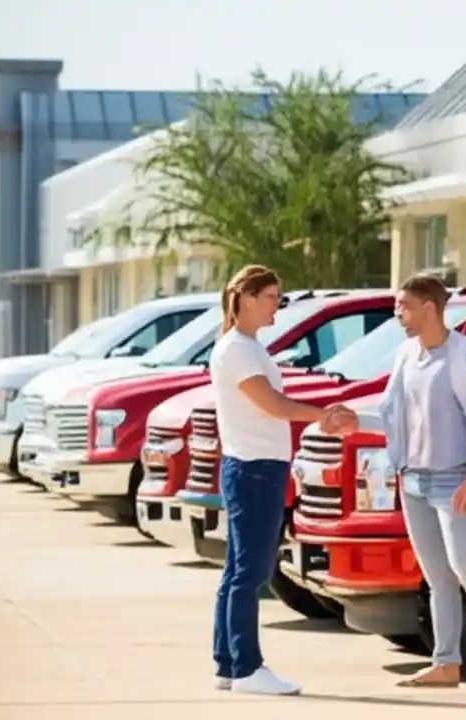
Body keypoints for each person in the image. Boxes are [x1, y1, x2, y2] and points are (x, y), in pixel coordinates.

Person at [338, 273, 466, 695]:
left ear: (429, 307)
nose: (398, 313)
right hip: (412, 479)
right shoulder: (405, 355)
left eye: (404, 306)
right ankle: (446, 663)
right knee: (437, 577)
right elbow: (395, 418)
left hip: (456, 478)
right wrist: (354, 421)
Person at [208, 265, 355, 696]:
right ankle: (247, 668)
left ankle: (229, 664)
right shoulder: (237, 349)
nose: (278, 305)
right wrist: (322, 416)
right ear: (247, 299)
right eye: (273, 296)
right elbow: (270, 403)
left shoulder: (248, 346)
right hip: (253, 469)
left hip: (255, 467)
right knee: (250, 573)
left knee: (238, 570)